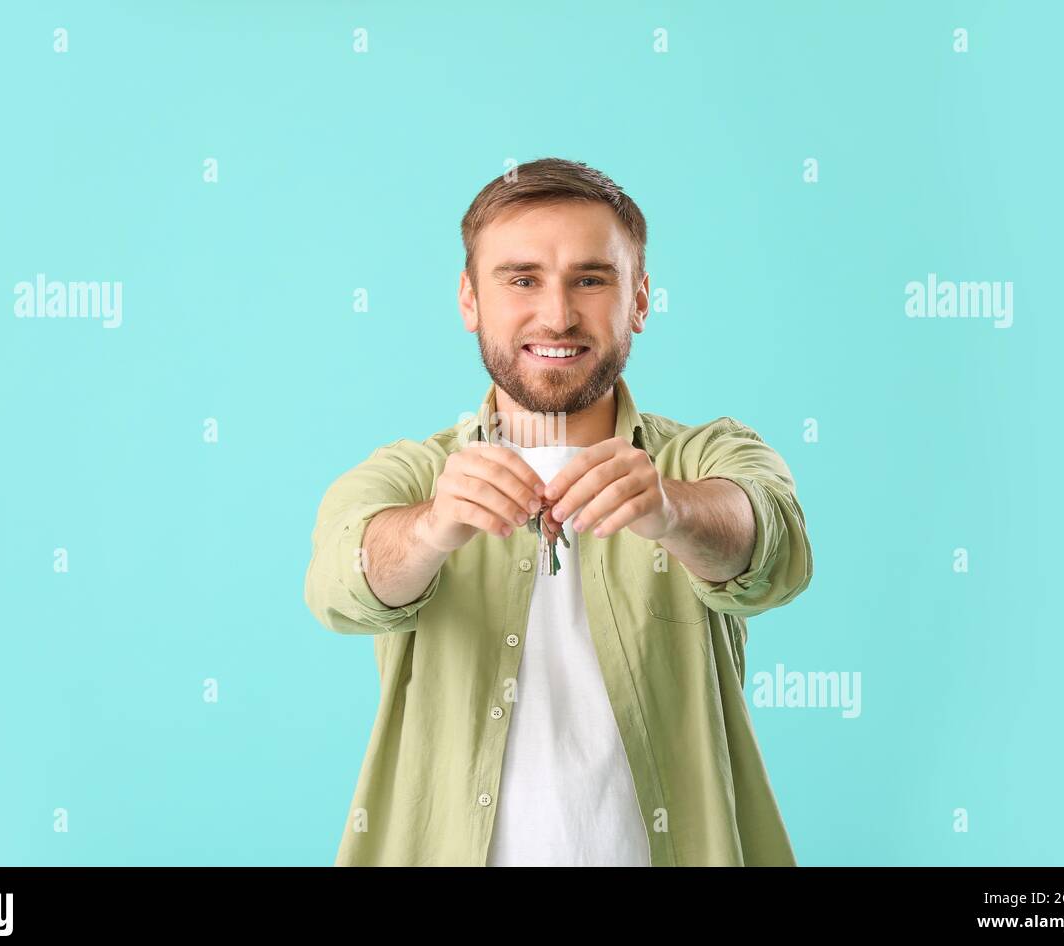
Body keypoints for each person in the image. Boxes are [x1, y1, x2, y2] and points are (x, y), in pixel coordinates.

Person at [305, 157, 813, 866]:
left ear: (638, 299)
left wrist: (670, 509)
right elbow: (340, 582)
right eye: (521, 279)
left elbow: (772, 542)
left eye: (591, 279)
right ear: (469, 301)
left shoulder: (708, 457)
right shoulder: (412, 474)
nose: (557, 314)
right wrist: (432, 527)